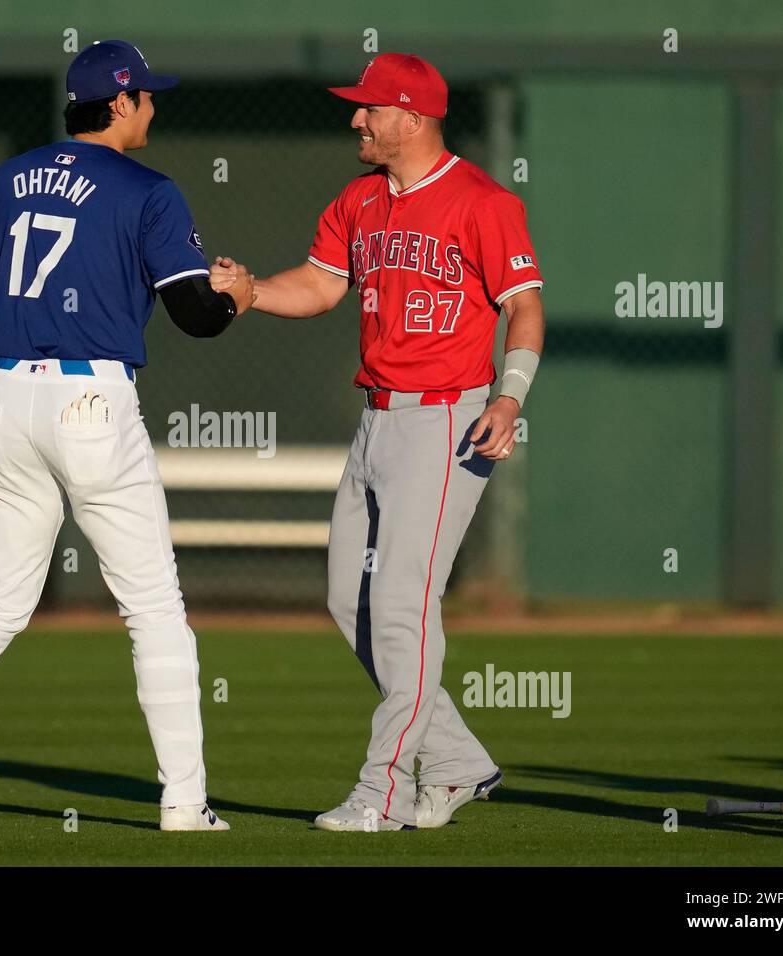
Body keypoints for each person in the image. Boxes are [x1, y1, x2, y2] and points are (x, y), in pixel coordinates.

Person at [0, 39, 253, 834]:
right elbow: (196, 316)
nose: (154, 106)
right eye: (147, 96)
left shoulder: (5, 177)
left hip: (6, 395)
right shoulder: (147, 190)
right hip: (91, 400)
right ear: (119, 104)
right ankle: (185, 803)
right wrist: (239, 296)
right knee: (154, 606)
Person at [211, 53, 544, 831]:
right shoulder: (360, 201)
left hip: (448, 419)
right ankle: (459, 762)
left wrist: (509, 395)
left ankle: (384, 792)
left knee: (401, 606)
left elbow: (524, 308)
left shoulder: (482, 202)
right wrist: (254, 292)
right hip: (378, 419)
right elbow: (323, 286)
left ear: (414, 117)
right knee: (347, 601)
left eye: (369, 108)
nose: (355, 120)